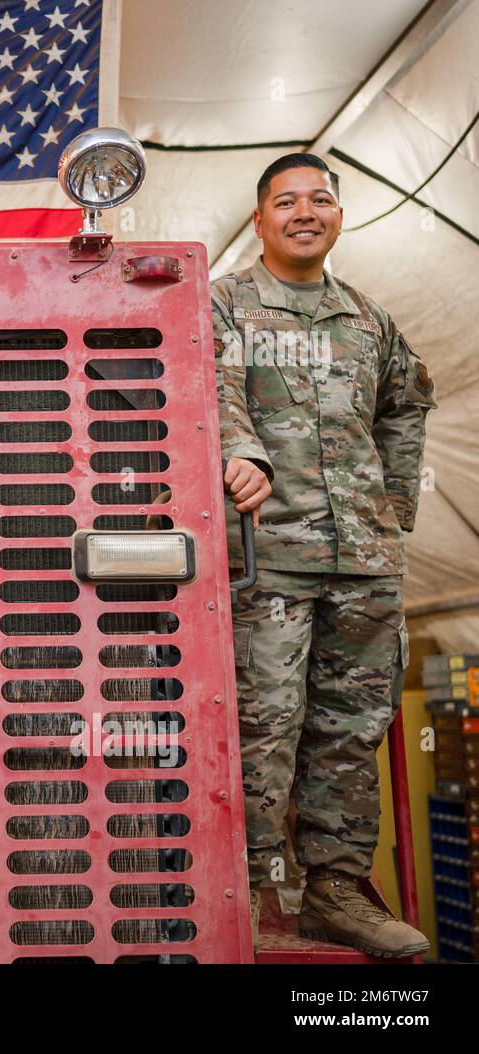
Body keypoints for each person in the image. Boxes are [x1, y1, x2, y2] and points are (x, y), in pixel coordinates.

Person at [214, 154, 436, 957]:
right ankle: (253, 889)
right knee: (264, 726)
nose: (305, 212)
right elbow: (213, 388)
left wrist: (395, 504)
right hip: (268, 555)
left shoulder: (368, 320)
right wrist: (243, 453)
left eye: (321, 199)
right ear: (262, 215)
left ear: (339, 213)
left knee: (352, 731)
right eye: (287, 201)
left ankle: (336, 891)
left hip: (366, 564)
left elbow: (410, 401)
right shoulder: (226, 304)